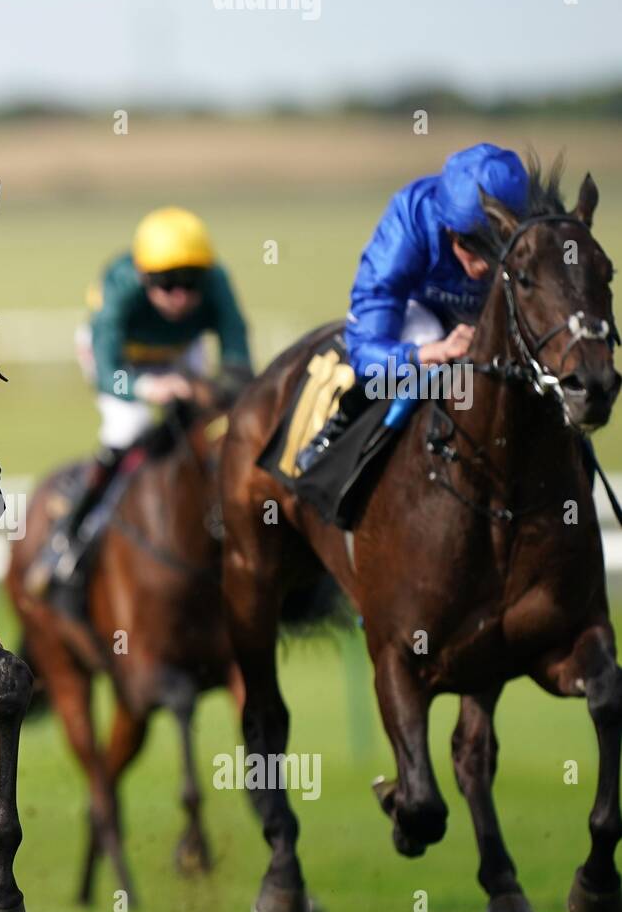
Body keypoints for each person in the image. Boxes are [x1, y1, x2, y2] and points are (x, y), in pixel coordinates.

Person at [35, 206, 252, 589]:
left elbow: (238, 364)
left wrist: (213, 393)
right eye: (167, 283)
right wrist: (148, 388)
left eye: (191, 281)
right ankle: (68, 533)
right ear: (142, 276)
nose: (181, 296)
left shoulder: (218, 282)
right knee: (129, 426)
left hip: (180, 353)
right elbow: (107, 374)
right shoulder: (119, 284)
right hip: (120, 362)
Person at [294, 143, 529, 474]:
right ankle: (341, 432)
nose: (484, 263)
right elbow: (364, 353)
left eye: (498, 243)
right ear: (447, 226)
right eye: (471, 244)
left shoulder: (539, 228)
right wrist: (428, 353)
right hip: (422, 313)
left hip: (499, 316)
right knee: (426, 339)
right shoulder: (410, 221)